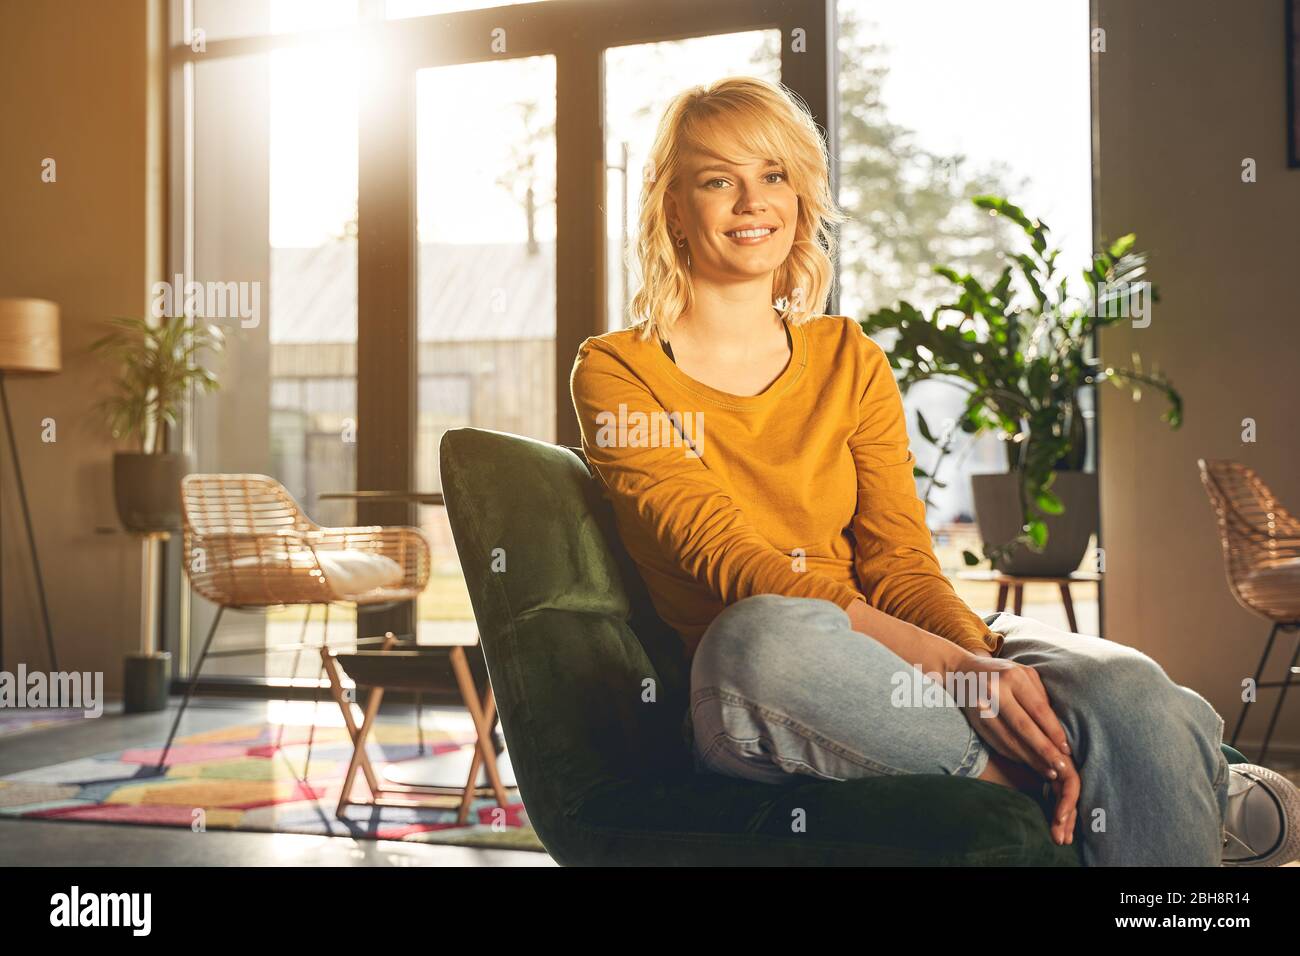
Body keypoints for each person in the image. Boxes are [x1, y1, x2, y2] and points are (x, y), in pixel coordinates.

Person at [569, 75, 1299, 866]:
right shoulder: (617, 372)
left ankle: (1155, 805)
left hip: (902, 651)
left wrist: (979, 665)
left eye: (772, 174)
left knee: (1124, 679)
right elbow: (741, 568)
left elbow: (901, 565)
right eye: (719, 180)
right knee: (763, 635)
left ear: (800, 194)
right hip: (767, 685)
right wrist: (953, 671)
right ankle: (1160, 782)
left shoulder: (851, 359)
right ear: (674, 206)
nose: (752, 202)